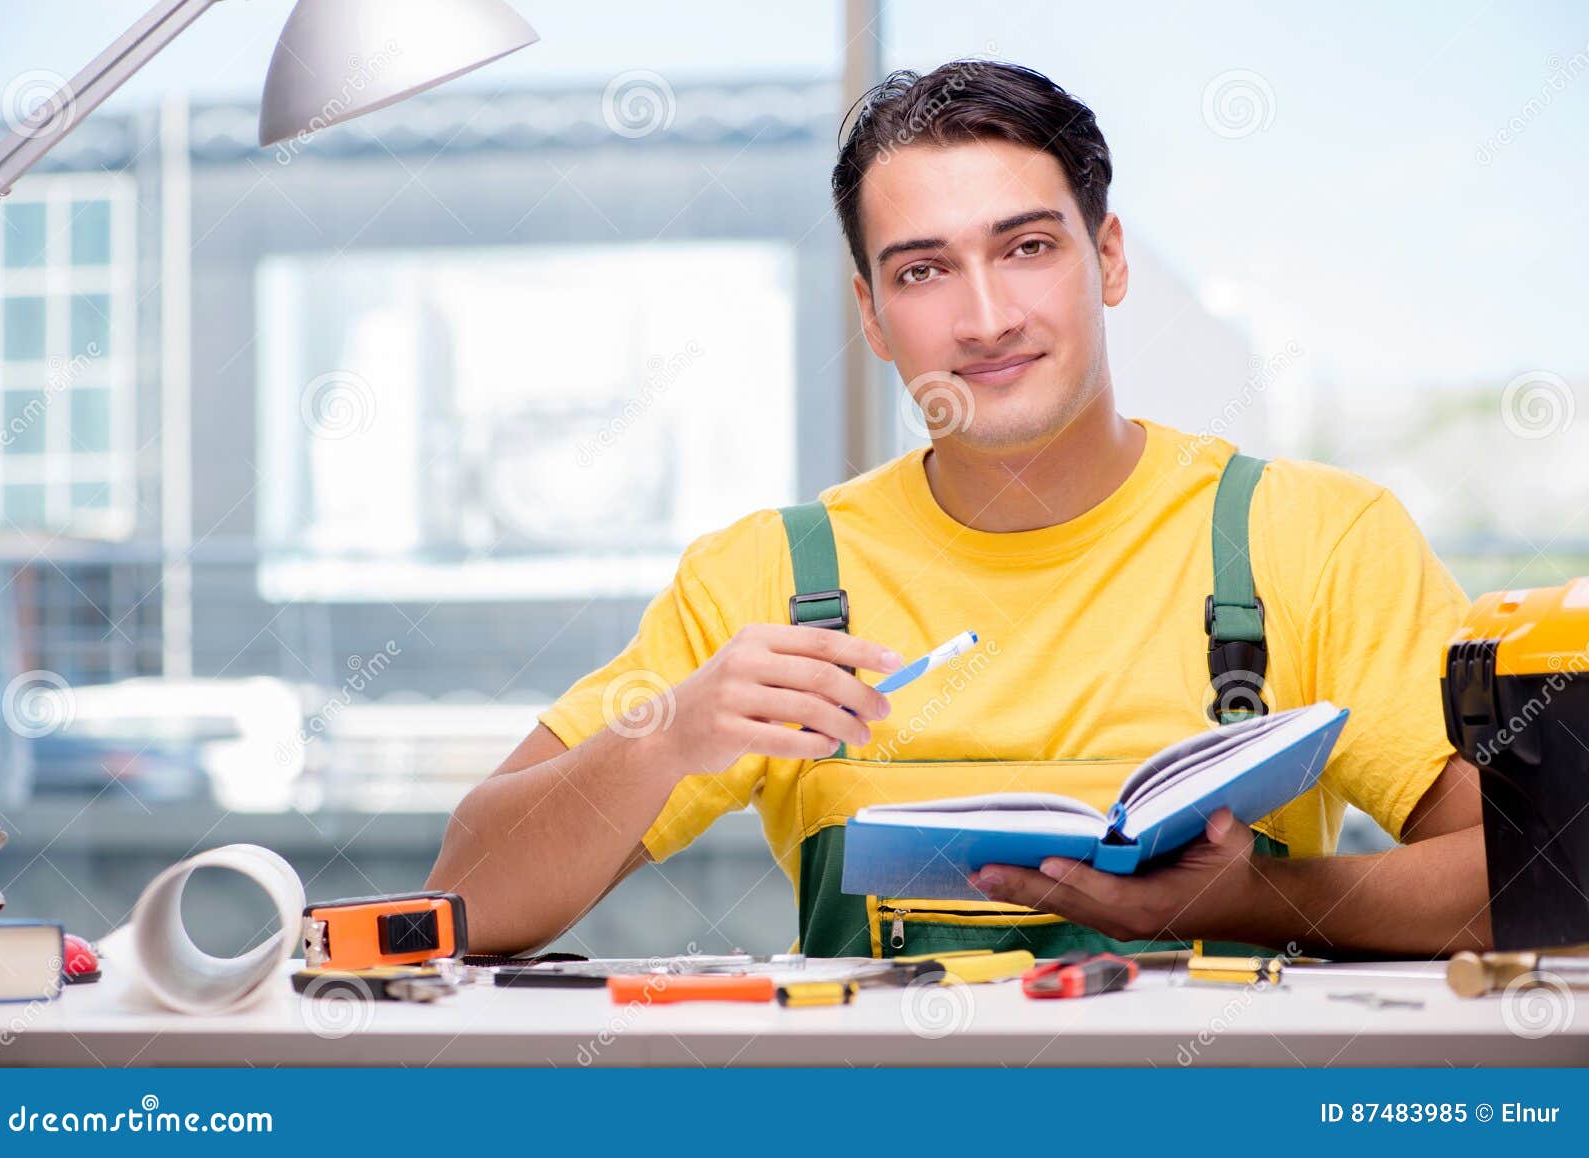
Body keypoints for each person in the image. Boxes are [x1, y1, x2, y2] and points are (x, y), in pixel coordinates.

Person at [427, 60, 1490, 959]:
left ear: (1106, 258)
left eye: (1026, 248)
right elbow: (463, 904)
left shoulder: (1309, 540)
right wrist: (668, 737)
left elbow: (1529, 876)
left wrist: (1256, 897)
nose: (984, 319)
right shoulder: (766, 577)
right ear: (874, 315)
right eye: (924, 270)